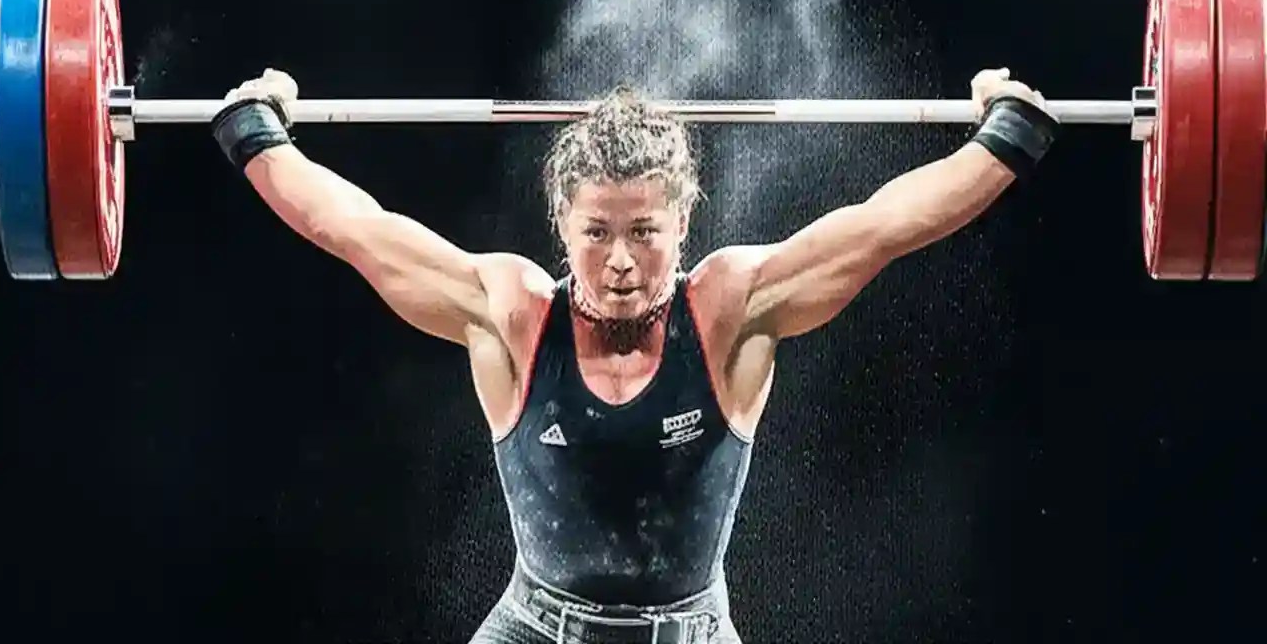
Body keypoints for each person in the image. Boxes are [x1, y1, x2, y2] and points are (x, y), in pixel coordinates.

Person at [209, 67, 1058, 643]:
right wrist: (257, 127)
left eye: (645, 232)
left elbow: (884, 227)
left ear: (682, 224)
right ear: (562, 224)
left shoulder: (730, 308)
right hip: (533, 628)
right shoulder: (513, 312)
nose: (621, 261)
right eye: (597, 233)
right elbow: (356, 230)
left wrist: (1004, 132)